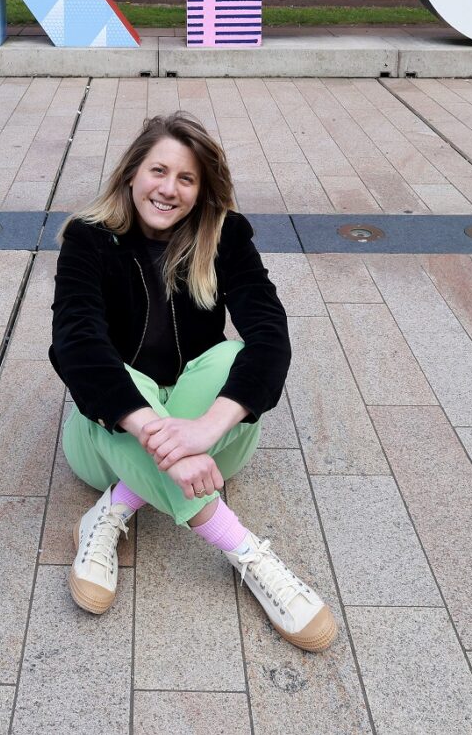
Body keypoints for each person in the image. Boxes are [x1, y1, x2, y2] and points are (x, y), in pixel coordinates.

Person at [49, 111, 336, 651]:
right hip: (106, 441)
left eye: (186, 178)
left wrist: (205, 430)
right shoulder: (88, 240)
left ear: (202, 190)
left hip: (212, 443)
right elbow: (76, 341)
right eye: (158, 171)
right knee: (113, 371)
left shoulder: (225, 235)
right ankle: (246, 552)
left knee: (234, 353)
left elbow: (270, 333)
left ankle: (116, 508)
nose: (168, 189)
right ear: (132, 171)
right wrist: (166, 440)